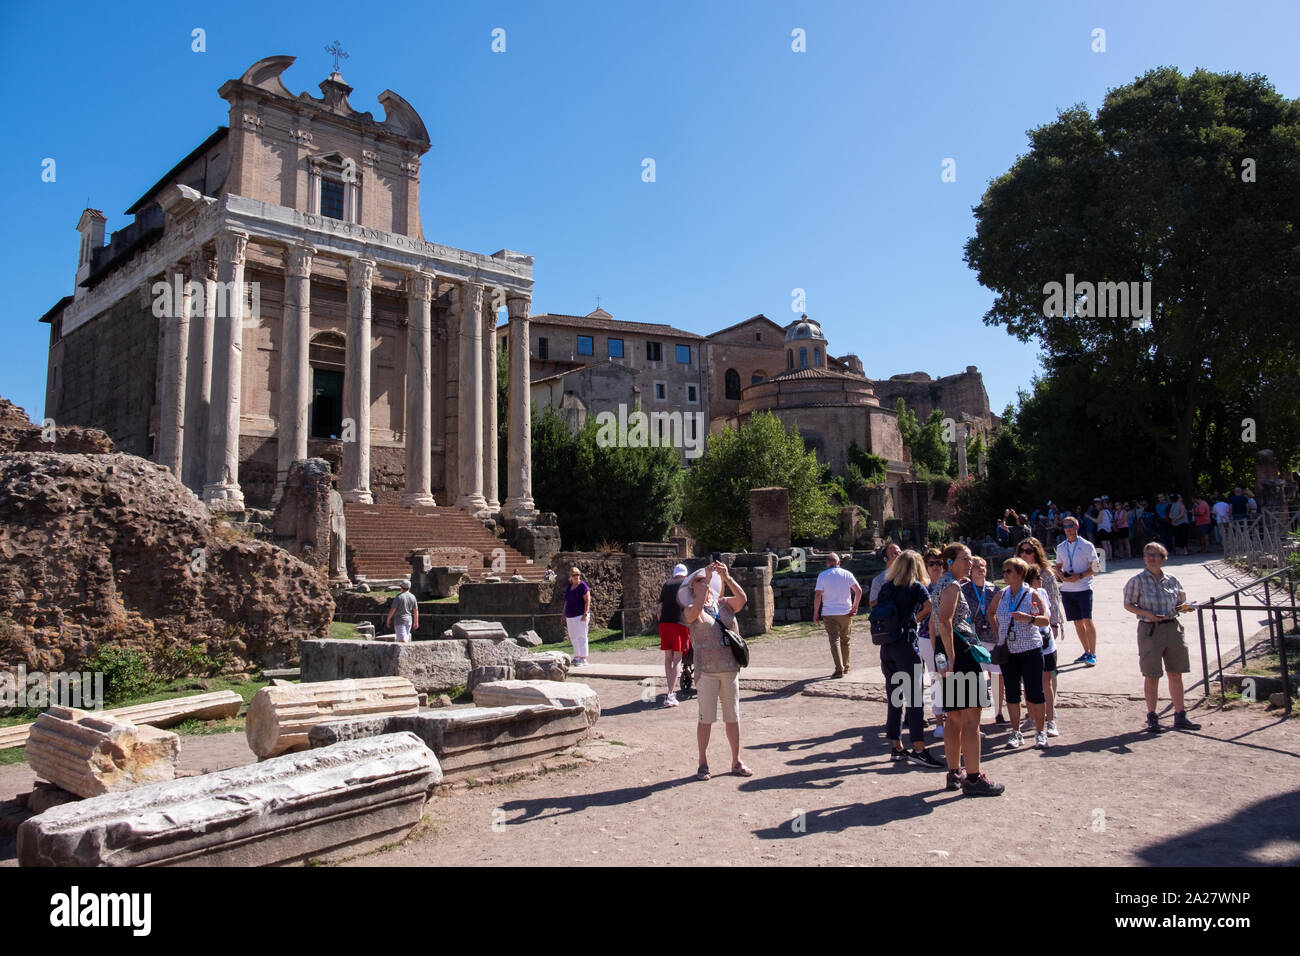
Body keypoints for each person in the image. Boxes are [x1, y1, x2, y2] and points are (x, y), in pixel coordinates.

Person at [934, 543, 1003, 795]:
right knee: (972, 719)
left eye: (971, 558)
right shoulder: (951, 585)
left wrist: (940, 657)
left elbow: (936, 624)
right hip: (960, 654)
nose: (970, 563)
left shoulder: (942, 584)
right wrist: (951, 659)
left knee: (953, 718)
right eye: (965, 559)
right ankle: (974, 778)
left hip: (948, 653)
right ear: (950, 561)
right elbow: (944, 621)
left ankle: (954, 773)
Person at [680, 562, 751, 779]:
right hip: (706, 672)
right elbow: (696, 612)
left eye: (706, 580)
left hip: (730, 669)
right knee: (706, 718)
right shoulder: (691, 609)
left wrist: (727, 578)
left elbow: (743, 599)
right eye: (699, 581)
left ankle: (736, 761)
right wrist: (707, 582)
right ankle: (702, 762)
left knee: (733, 717)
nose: (704, 583)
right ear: (693, 588)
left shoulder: (724, 604)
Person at [1122, 542, 1202, 733]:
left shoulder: (1172, 580)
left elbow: (1180, 603)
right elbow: (1128, 604)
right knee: (1152, 675)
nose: (1151, 558)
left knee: (1176, 672)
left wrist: (1186, 607)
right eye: (1148, 555)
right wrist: (1148, 614)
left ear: (1163, 559)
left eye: (1155, 555)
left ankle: (1180, 715)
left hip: (1172, 627)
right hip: (1150, 630)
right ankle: (1152, 716)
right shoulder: (1137, 581)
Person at [877, 550, 944, 769]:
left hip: (887, 646)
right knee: (915, 699)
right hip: (906, 644)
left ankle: (896, 746)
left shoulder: (887, 587)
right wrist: (915, 619)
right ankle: (919, 748)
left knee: (895, 696)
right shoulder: (916, 587)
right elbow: (929, 606)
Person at [988, 557, 1051, 748]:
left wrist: (1029, 619)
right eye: (1004, 570)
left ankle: (1041, 731)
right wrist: (999, 632)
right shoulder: (1002, 594)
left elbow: (1046, 620)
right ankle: (1015, 732)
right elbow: (990, 612)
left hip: (1030, 649)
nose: (1004, 574)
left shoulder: (1032, 594)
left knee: (1034, 692)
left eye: (1009, 571)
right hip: (1009, 652)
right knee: (1012, 693)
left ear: (1020, 574)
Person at [1016, 537, 1064, 736]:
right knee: (1028, 680)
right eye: (1022, 551)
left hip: (1044, 632)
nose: (1025, 554)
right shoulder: (1017, 573)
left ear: (1036, 552)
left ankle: (1049, 716)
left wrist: (1054, 624)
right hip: (1026, 636)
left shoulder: (1045, 575)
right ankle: (1032, 715)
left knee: (1047, 677)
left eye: (1028, 551)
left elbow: (1053, 600)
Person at [962, 556, 1003, 724]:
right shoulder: (963, 590)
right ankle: (976, 714)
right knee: (976, 676)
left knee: (996, 674)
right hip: (973, 639)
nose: (980, 568)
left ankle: (999, 711)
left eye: (983, 566)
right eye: (976, 566)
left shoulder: (995, 590)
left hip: (992, 637)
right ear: (970, 570)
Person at [1054, 516, 1099, 666]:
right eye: (1065, 526)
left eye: (1071, 525)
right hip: (1067, 590)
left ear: (1077, 527)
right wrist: (1061, 576)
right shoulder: (1061, 547)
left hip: (1084, 588)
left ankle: (1093, 653)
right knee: (1077, 623)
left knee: (1087, 620)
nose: (1068, 529)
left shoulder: (1087, 545)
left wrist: (1079, 576)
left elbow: (1096, 567)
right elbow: (1058, 566)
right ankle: (1086, 651)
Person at [813, 552, 862, 677]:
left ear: (827, 563)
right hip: (846, 612)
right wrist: (855, 607)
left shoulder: (822, 575)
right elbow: (858, 591)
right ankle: (846, 666)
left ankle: (839, 668)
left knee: (834, 640)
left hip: (829, 613)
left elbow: (818, 595)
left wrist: (815, 613)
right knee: (845, 640)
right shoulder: (847, 574)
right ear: (838, 562)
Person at [918, 549, 947, 739]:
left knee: (954, 678)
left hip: (950, 637)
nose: (936, 567)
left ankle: (958, 719)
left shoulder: (951, 585)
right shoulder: (921, 588)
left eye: (939, 563)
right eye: (931, 563)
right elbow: (916, 615)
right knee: (936, 678)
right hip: (928, 638)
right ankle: (939, 722)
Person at [655, 563, 691, 707]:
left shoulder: (666, 584)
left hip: (664, 624)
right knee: (677, 659)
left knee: (668, 658)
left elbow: (659, 609)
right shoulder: (686, 583)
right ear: (685, 574)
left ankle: (669, 691)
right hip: (679, 623)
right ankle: (670, 693)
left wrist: (662, 624)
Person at [564, 567, 592, 667]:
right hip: (570, 615)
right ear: (570, 576)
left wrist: (585, 613)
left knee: (581, 636)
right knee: (573, 636)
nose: (576, 577)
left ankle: (583, 658)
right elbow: (566, 601)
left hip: (580, 615)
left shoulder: (583, 585)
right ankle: (577, 656)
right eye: (574, 575)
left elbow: (587, 600)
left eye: (578, 574)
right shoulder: (570, 586)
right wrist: (564, 613)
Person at [869, 542, 902, 608]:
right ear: (885, 559)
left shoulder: (910, 575)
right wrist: (887, 596)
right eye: (895, 553)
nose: (899, 556)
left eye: (900, 553)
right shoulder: (878, 580)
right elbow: (872, 603)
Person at [1097, 496, 1114, 561]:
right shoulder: (1108, 511)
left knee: (1105, 543)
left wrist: (1089, 517)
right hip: (1108, 529)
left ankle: (1107, 557)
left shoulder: (1102, 512)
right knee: (1108, 543)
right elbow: (1111, 519)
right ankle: (1110, 556)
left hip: (1103, 529)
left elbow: (1098, 521)